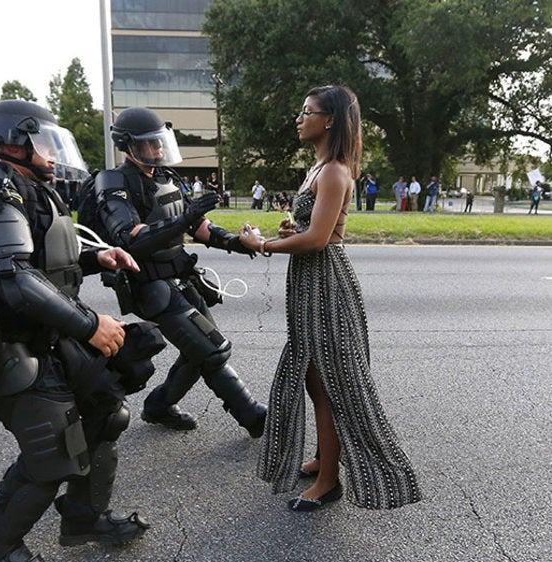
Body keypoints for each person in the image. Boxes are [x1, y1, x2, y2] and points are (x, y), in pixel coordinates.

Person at [0, 100, 151, 562]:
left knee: (105, 410)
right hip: (2, 340)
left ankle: (84, 517)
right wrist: (92, 326)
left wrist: (97, 258)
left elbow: (41, 263)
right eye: (43, 141)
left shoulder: (23, 184)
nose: (52, 152)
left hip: (41, 330)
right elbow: (10, 274)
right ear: (13, 141)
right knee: (52, 451)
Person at [239, 85, 421, 512]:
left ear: (330, 120)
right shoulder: (317, 168)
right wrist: (290, 232)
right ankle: (325, 457)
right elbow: (310, 230)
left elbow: (320, 239)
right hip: (309, 282)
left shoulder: (336, 170)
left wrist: (262, 244)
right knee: (313, 377)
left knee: (333, 384)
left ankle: (329, 480)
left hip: (326, 285)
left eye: (308, 112)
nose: (300, 118)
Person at [95, 106, 267, 437]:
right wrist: (185, 219)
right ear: (128, 145)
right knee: (212, 349)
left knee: (198, 351)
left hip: (180, 277)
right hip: (149, 284)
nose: (158, 149)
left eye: (161, 142)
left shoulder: (165, 178)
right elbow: (129, 238)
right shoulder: (114, 181)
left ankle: (159, 405)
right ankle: (253, 416)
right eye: (150, 144)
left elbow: (198, 225)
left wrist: (236, 243)